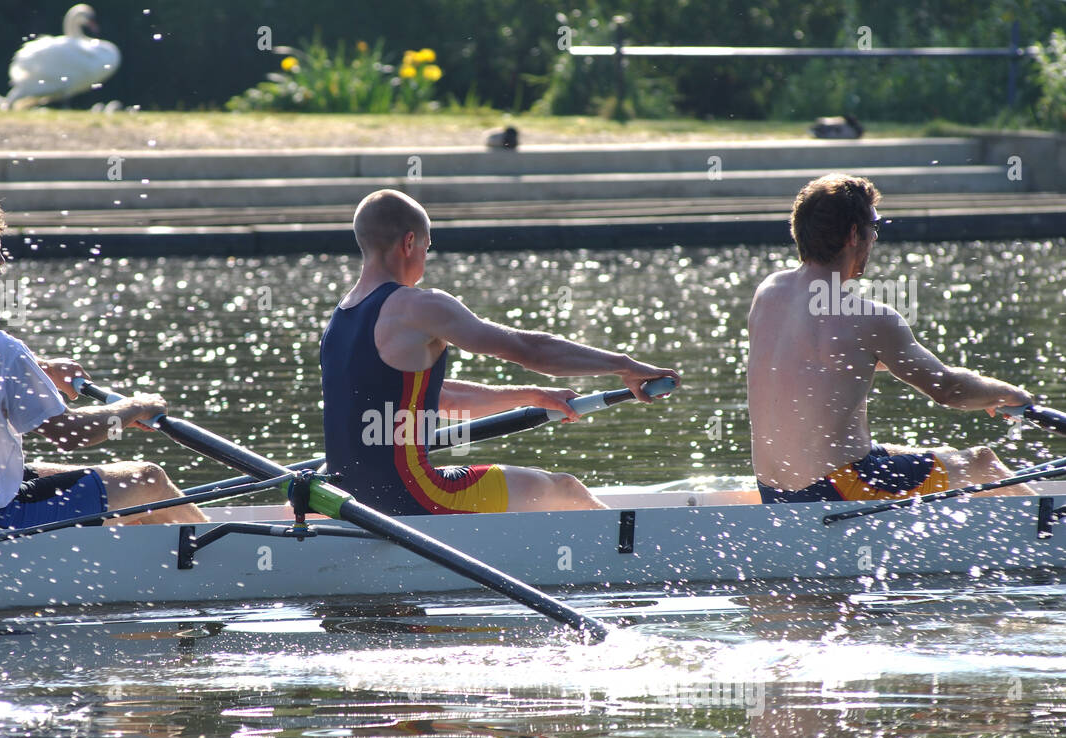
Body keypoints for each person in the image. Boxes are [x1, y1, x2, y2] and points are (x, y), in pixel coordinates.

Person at [321, 189, 679, 515]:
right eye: (427, 249)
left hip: (345, 500)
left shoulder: (340, 319)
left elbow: (438, 398)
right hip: (414, 495)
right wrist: (623, 366)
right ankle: (636, 550)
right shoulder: (418, 306)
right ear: (410, 242)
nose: (426, 261)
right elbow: (531, 350)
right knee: (564, 489)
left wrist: (532, 395)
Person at [0, 188, 204, 532]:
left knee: (38, 471)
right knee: (147, 480)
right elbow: (68, 434)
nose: (2, 262)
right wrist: (136, 407)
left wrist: (39, 369)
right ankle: (224, 559)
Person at [747, 173, 1032, 504]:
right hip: (837, 489)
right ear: (855, 234)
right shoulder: (870, 317)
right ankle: (1053, 535)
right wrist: (1006, 394)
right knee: (981, 462)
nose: (875, 237)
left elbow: (820, 360)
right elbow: (948, 389)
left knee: (944, 455)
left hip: (774, 491)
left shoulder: (768, 292)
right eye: (874, 226)